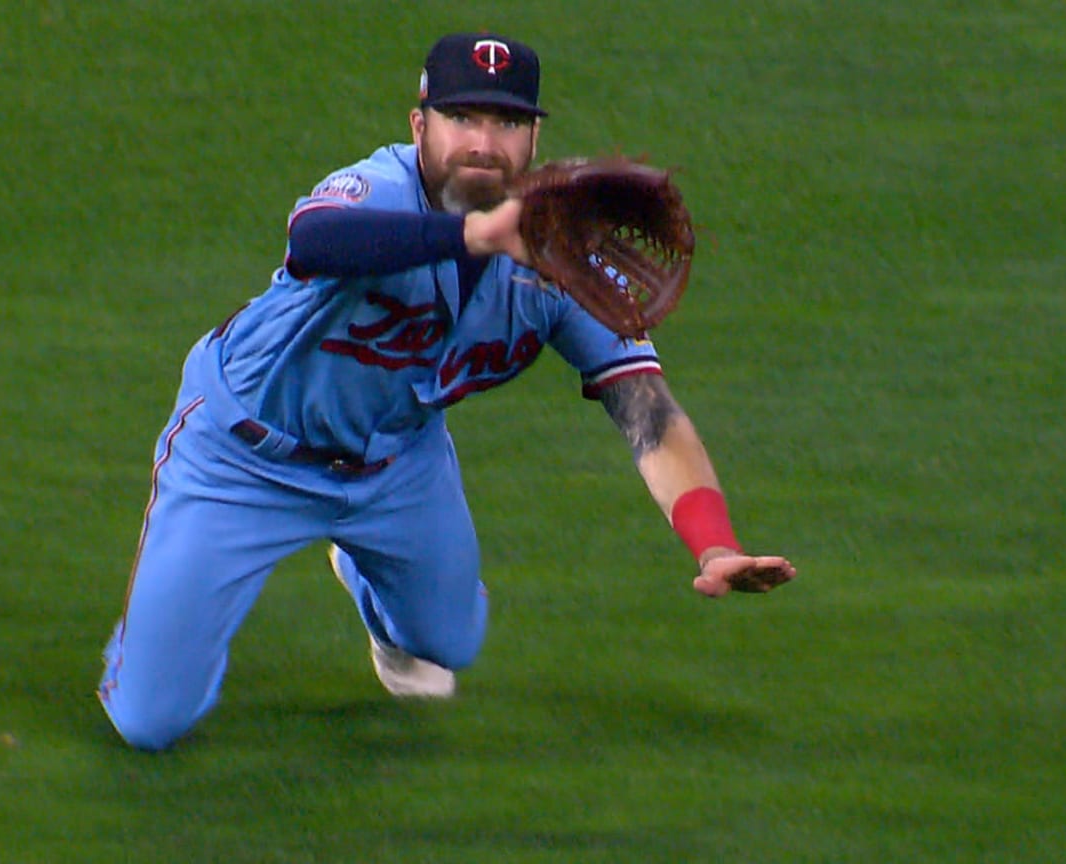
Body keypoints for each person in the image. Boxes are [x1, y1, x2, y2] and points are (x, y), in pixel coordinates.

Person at [97, 31, 795, 751]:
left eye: (508, 123)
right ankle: (148, 650)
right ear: (419, 125)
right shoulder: (376, 186)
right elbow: (316, 243)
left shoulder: (560, 258)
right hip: (243, 456)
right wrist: (474, 237)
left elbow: (647, 409)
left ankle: (370, 580)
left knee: (450, 644)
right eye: (464, 118)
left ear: (533, 139)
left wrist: (714, 546)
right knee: (151, 722)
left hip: (398, 465)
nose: (484, 143)